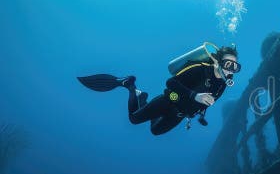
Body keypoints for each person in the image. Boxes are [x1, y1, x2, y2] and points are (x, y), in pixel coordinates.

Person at [78, 46, 241, 135]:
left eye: (235, 67)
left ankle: (142, 97)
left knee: (155, 131)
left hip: (180, 114)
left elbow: (205, 103)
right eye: (228, 64)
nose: (231, 70)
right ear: (217, 62)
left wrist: (200, 112)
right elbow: (170, 82)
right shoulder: (200, 69)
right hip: (168, 101)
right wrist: (194, 95)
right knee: (134, 120)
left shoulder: (222, 85)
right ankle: (130, 85)